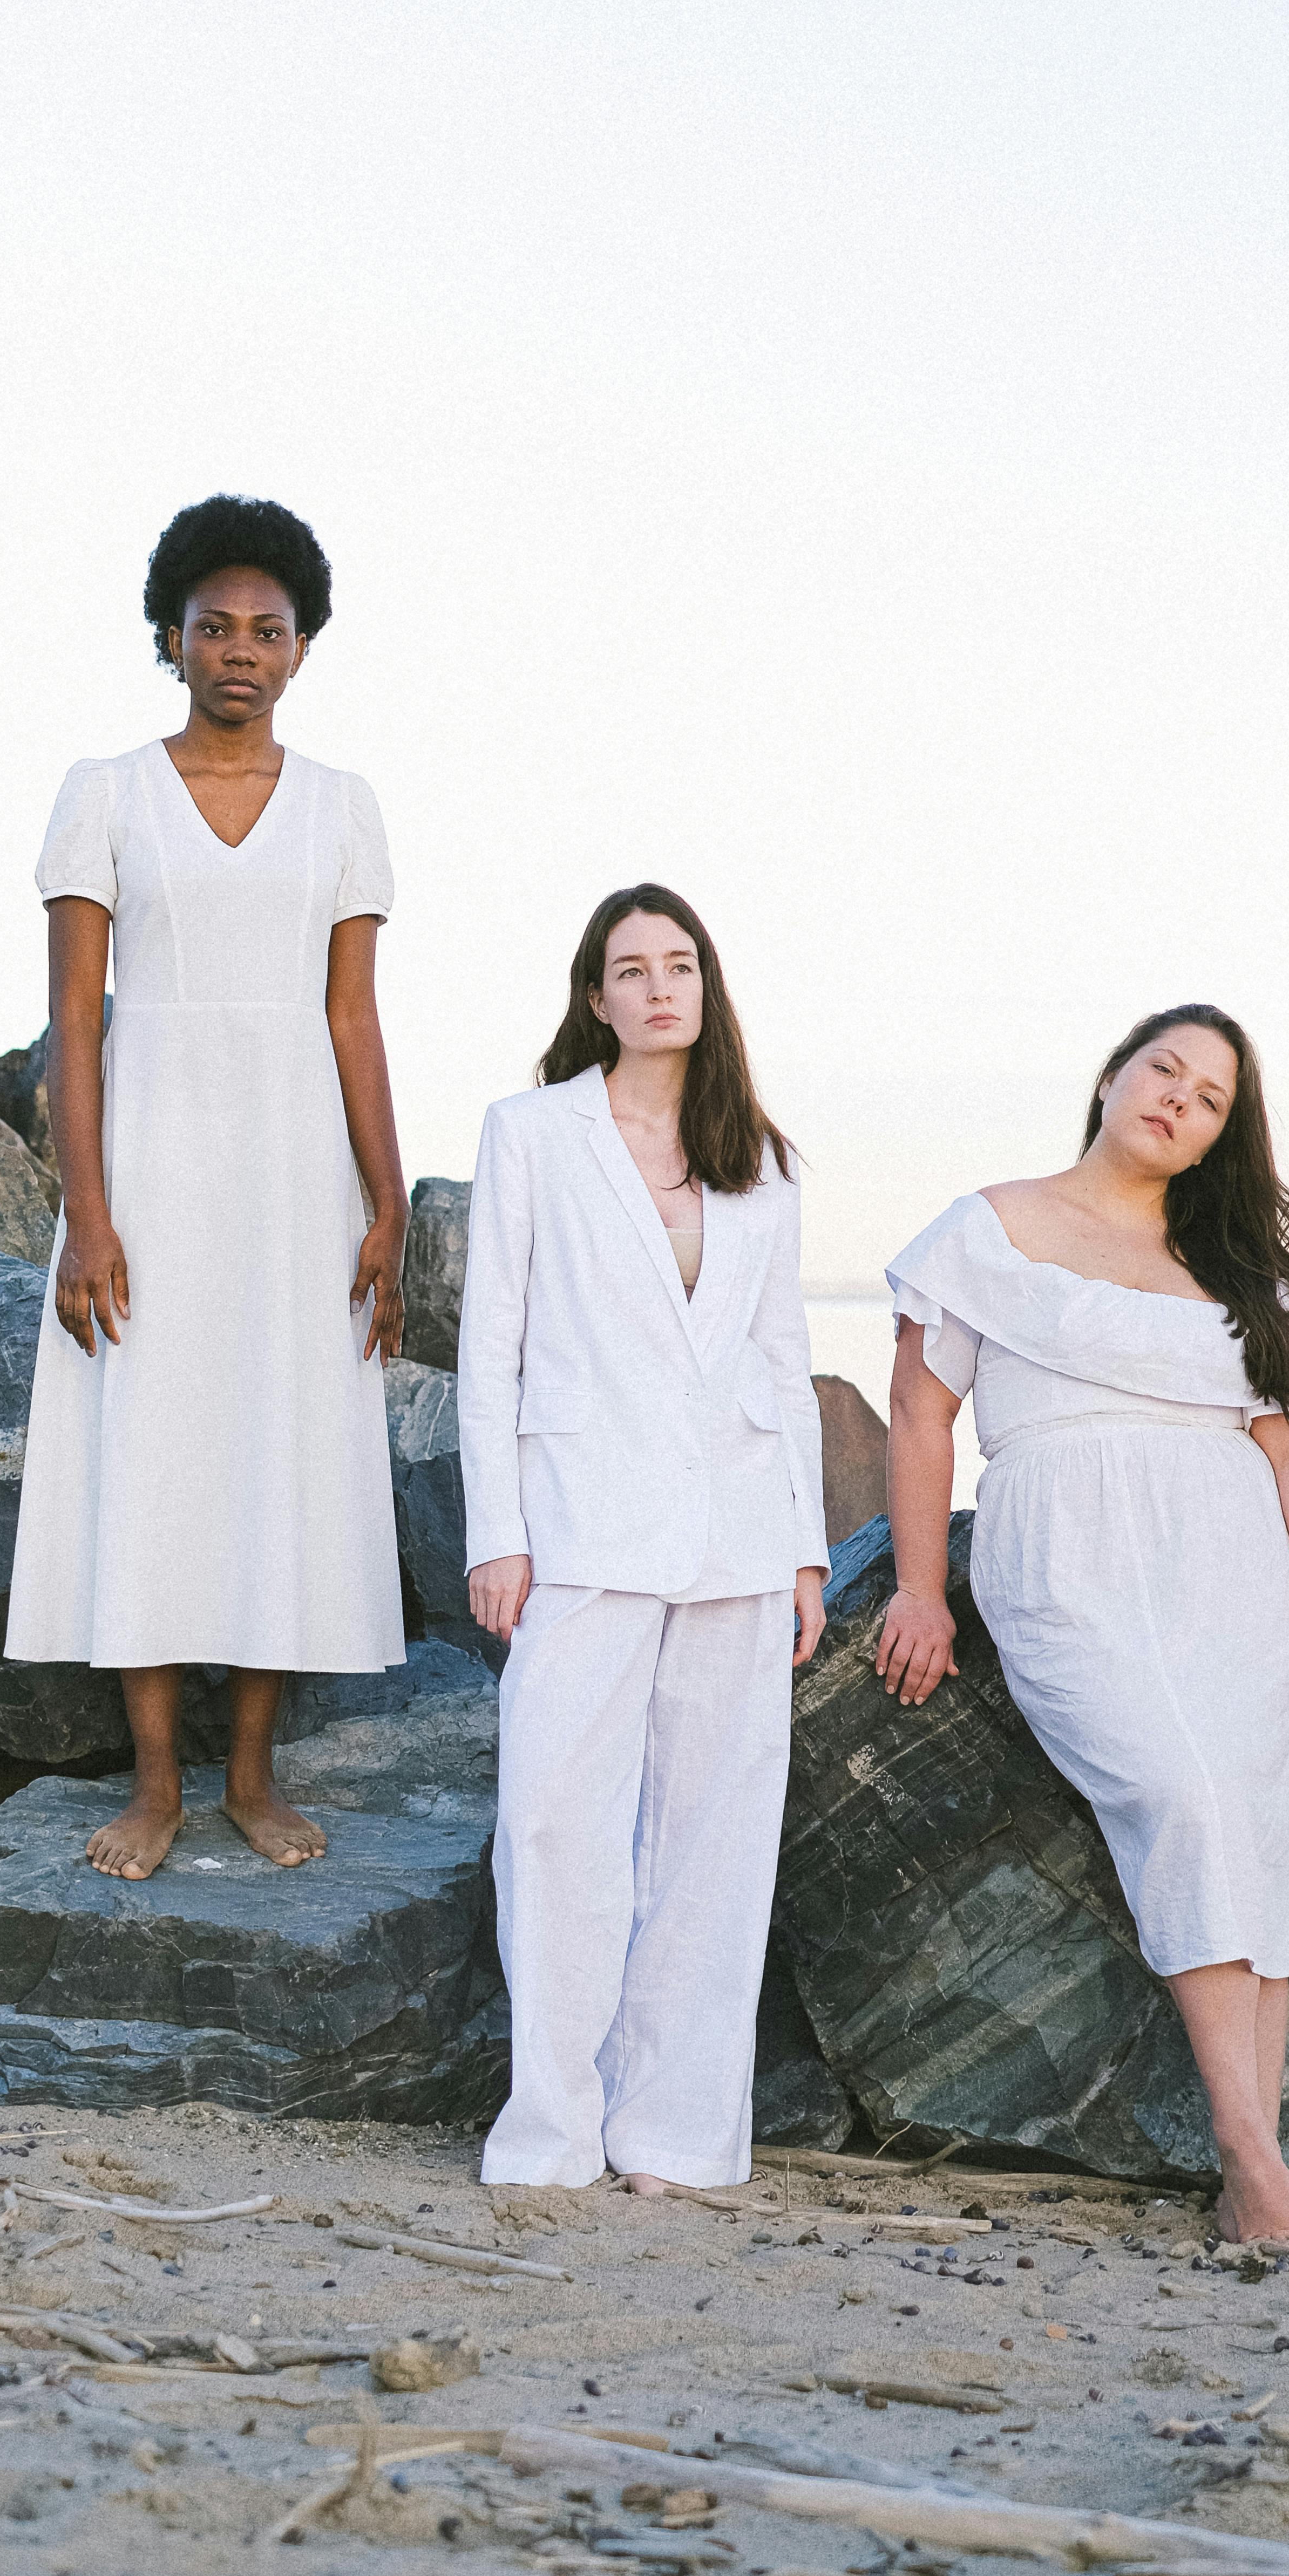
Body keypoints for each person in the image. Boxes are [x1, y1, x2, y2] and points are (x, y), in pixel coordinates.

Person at [880, 1006, 1289, 2248]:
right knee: (1180, 1793)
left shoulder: (1238, 1273)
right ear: (1114, 1074)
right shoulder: (992, 1226)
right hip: (1068, 1553)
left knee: (1268, 1819)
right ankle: (1248, 2149)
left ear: (1224, 1135)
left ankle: (1253, 2175)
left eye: (1212, 1096)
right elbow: (917, 1416)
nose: (1179, 1098)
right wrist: (916, 1586)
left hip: (1239, 1574)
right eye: (1164, 1068)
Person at [6, 495, 408, 1878]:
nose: (241, 649)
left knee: (279, 1451)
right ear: (170, 640)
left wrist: (392, 1205)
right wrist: (90, 1217)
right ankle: (156, 1782)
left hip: (300, 1180)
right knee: (155, 1453)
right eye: (215, 627)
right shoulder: (103, 793)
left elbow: (353, 1020)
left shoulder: (344, 807)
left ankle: (252, 1773)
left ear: (303, 651)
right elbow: (76, 1023)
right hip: (151, 1168)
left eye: (269, 631)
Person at [461, 884, 828, 2195]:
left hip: (734, 1532)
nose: (661, 986)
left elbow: (783, 1361)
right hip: (578, 1524)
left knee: (715, 1844)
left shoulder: (761, 1157)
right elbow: (488, 1342)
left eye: (682, 964)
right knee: (556, 1827)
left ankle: (672, 2135)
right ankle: (552, 2129)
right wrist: (493, 1534)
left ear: (705, 988)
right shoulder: (534, 1132)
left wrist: (805, 1550)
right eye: (634, 968)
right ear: (597, 996)